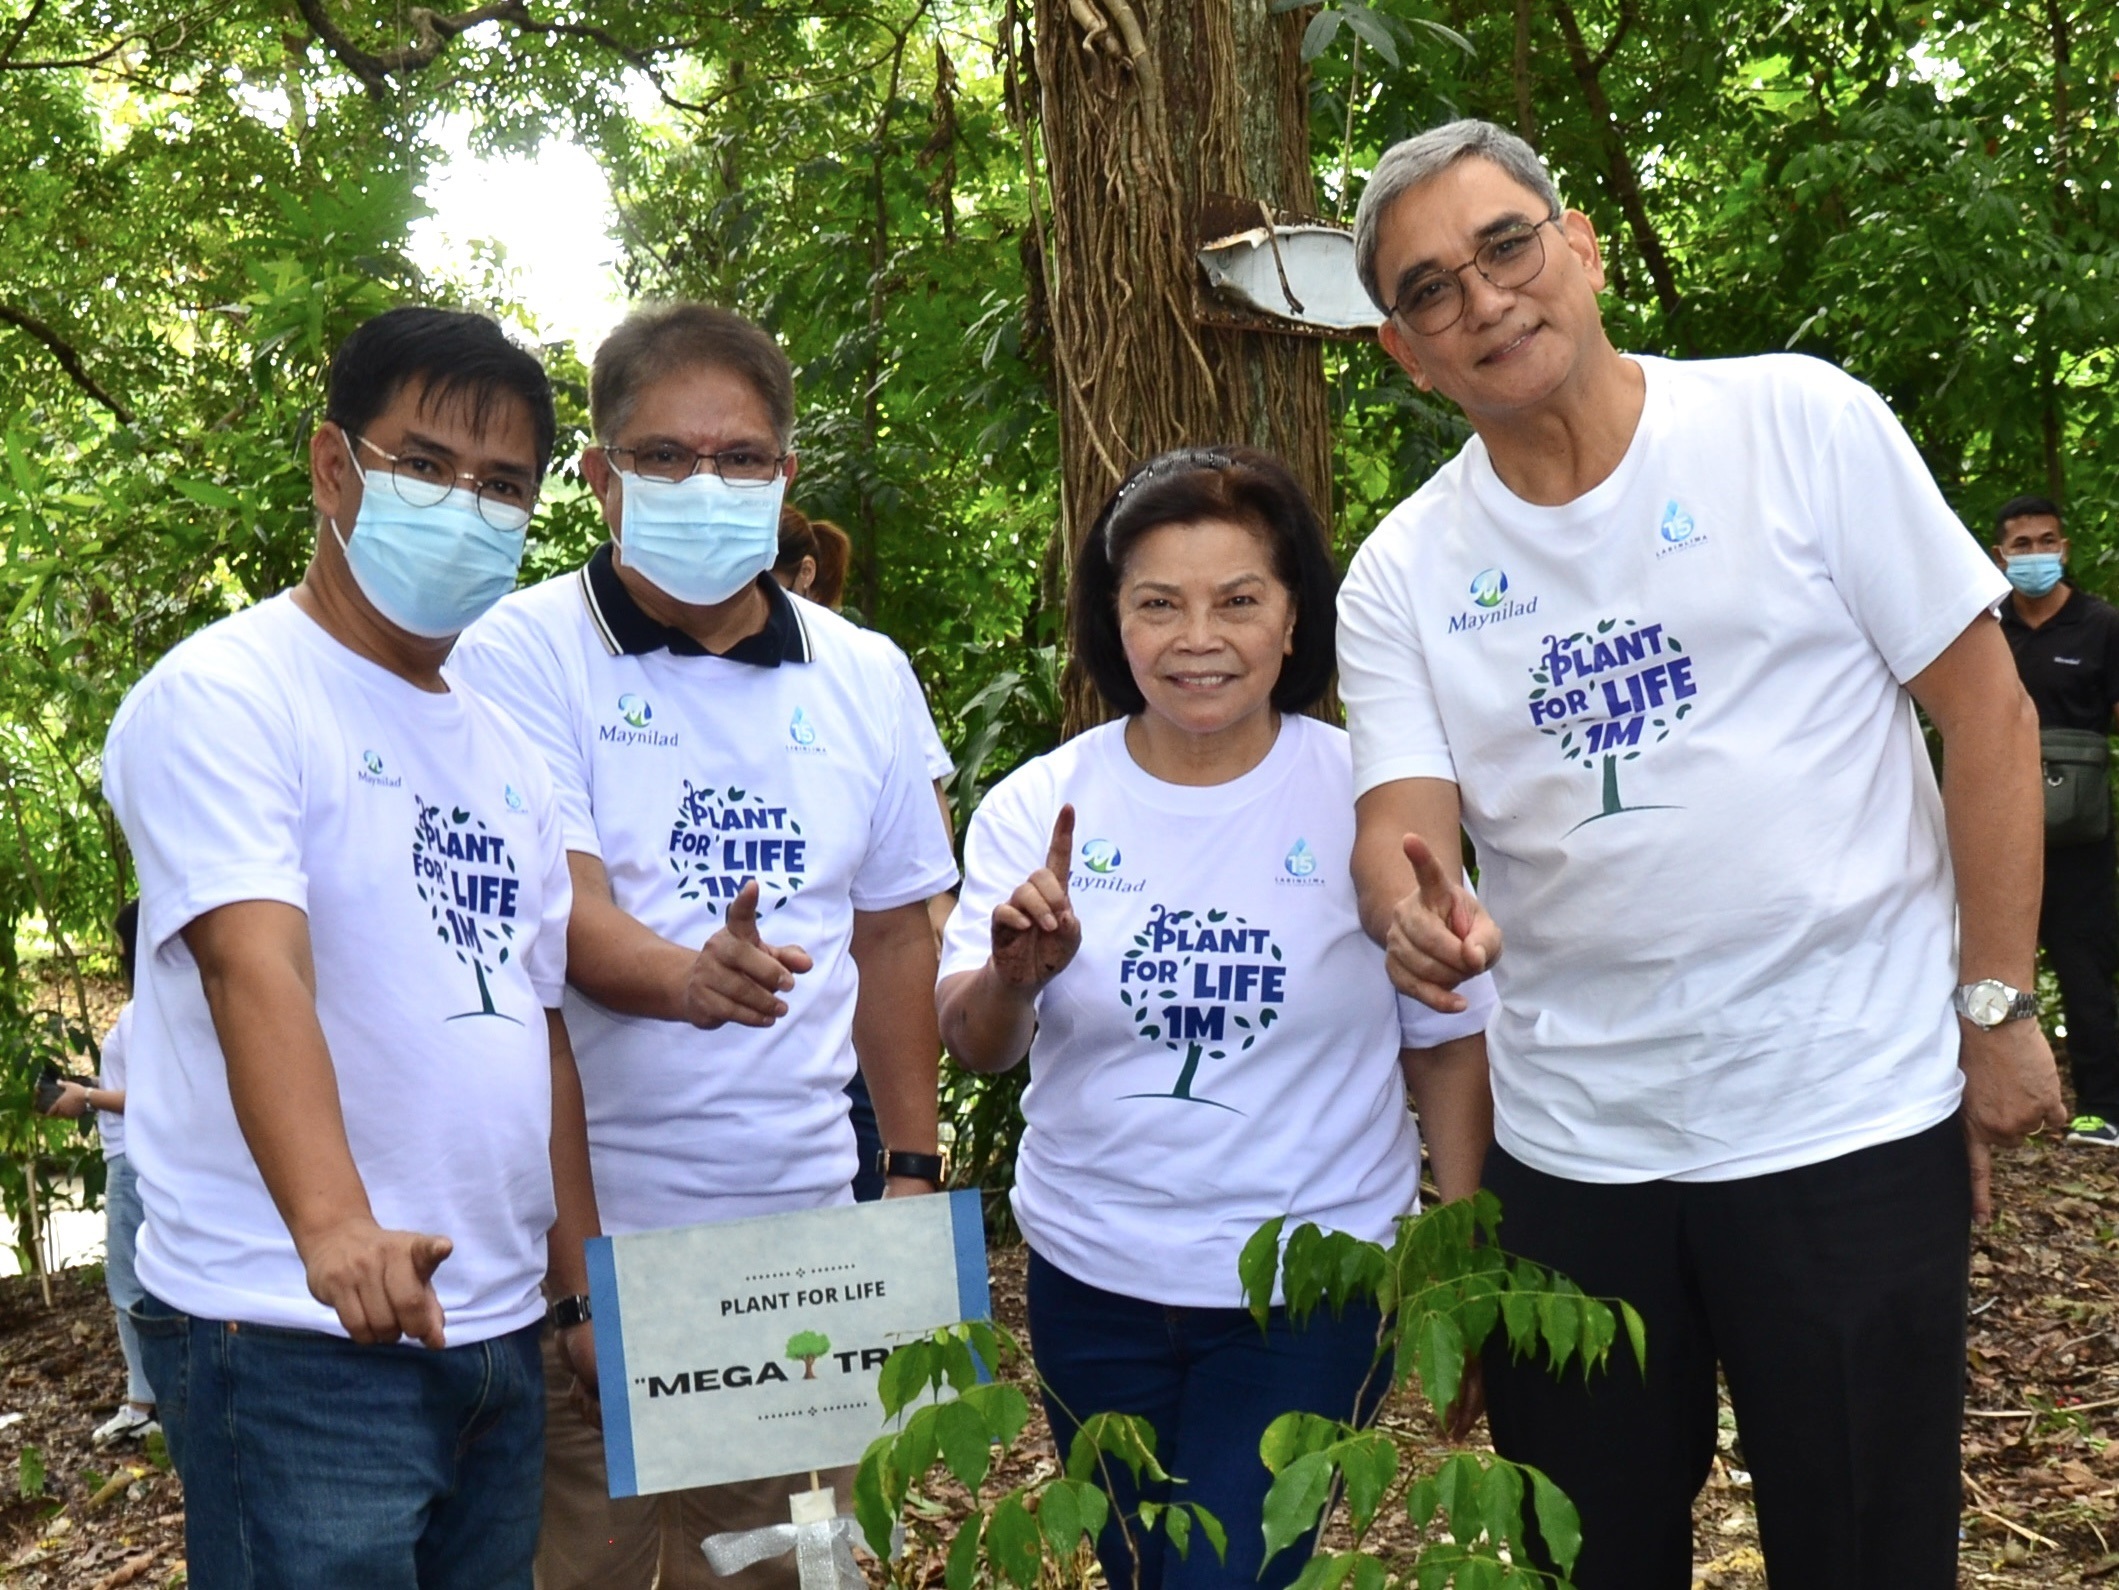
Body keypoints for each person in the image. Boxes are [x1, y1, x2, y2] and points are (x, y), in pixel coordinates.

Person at [1336, 120, 2065, 1589]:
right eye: (1428, 289)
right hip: (1575, 1154)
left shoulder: (1795, 423)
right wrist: (1407, 912)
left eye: (1502, 246)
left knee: (1863, 1542)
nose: (1480, 299)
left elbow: (1984, 713)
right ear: (1404, 351)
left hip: (1841, 1116)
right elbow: (1394, 829)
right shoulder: (1402, 568)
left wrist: (1992, 1004)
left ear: (1579, 243)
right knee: (1588, 1554)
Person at [450, 301, 957, 1590]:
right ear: (600, 478)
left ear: (786, 475)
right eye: (664, 456)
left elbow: (898, 935)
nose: (704, 483)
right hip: (600, 1248)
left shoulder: (863, 675)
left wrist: (906, 1174)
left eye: (739, 458)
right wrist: (578, 1294)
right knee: (605, 1567)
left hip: (806, 1259)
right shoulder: (522, 654)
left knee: (799, 1567)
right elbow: (555, 925)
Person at [100, 306, 601, 1590]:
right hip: (295, 1330)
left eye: (502, 486)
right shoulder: (230, 694)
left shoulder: (505, 749)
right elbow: (250, 964)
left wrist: (572, 1286)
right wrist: (335, 1230)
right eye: (424, 465)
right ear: (336, 470)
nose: (464, 505)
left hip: (491, 1335)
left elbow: (534, 1023)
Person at [938, 447, 1496, 1590]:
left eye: (1239, 600)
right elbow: (975, 1047)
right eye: (1159, 604)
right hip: (1091, 1280)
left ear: (1294, 621)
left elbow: (1446, 1040)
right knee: (1142, 1565)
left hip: (1313, 1290)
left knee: (1226, 1574)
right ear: (1112, 620)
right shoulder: (1038, 803)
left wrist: (1463, 1262)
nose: (1200, 638)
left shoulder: (1369, 793)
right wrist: (1013, 977)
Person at [771, 503, 959, 1200]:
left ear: (805, 574)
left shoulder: (862, 666)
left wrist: (933, 913)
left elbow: (921, 826)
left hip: (846, 982)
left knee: (861, 1133)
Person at [1994, 494, 2119, 1148]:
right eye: (2022, 545)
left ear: (2064, 549)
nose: (2035, 554)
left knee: (2083, 965)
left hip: (2078, 835)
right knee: (1984, 962)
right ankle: (1983, 1102)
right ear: (1999, 556)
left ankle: (2102, 1110)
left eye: (2047, 542)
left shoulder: (2101, 625)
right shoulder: (1985, 629)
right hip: (1993, 833)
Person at [41, 900, 155, 1448]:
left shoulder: (142, 1016)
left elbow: (151, 1098)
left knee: (128, 1283)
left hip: (132, 1160)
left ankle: (143, 1403)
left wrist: (84, 1096)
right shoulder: (157, 1012)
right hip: (137, 1155)